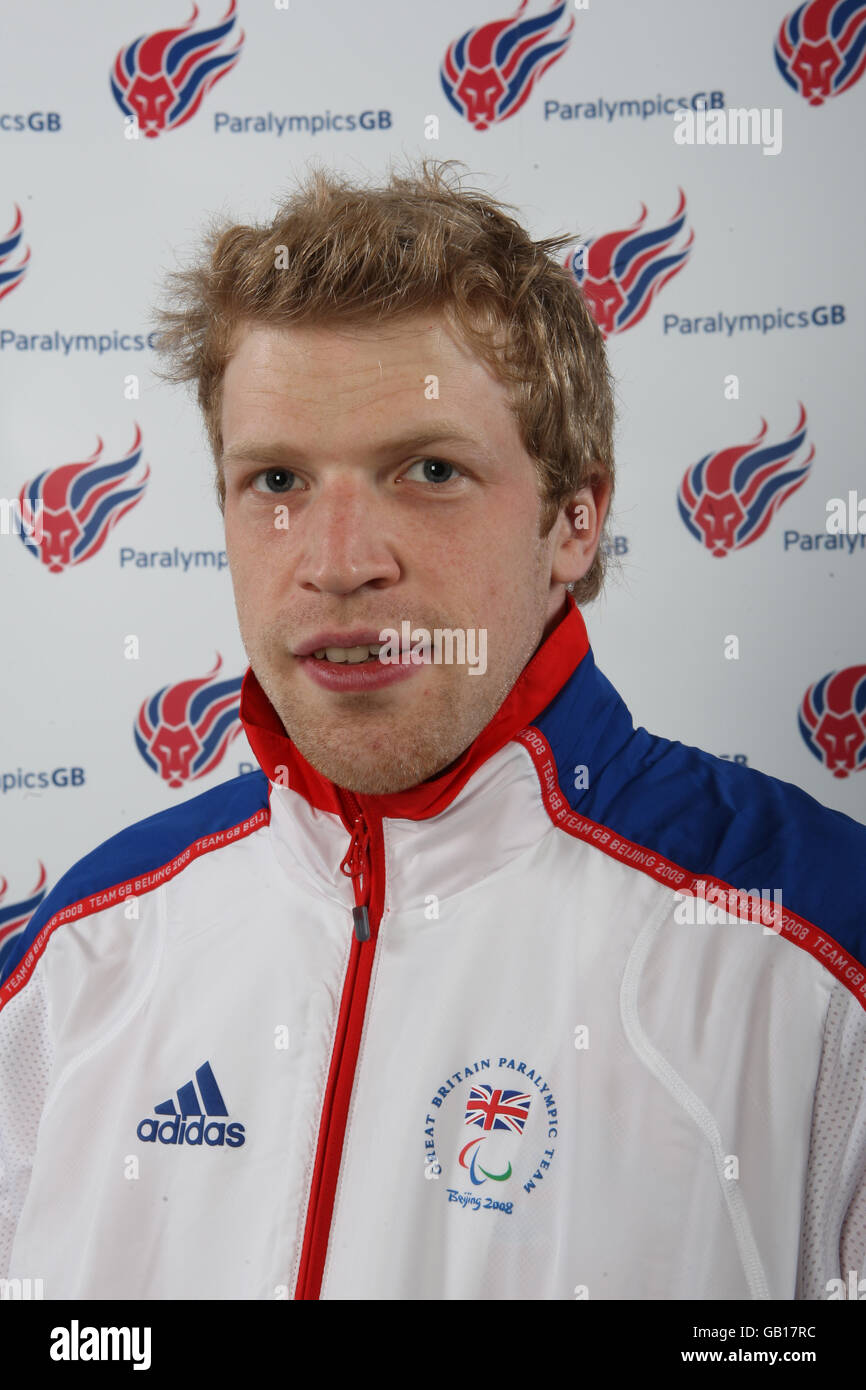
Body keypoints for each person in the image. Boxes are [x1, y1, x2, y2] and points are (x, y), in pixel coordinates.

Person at [1, 161, 864, 1302]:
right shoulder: (69, 963)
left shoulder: (816, 947)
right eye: (276, 479)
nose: (337, 559)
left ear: (574, 518)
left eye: (427, 470)